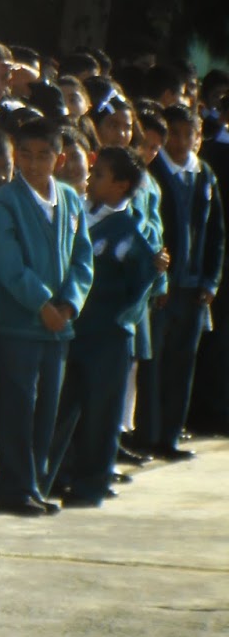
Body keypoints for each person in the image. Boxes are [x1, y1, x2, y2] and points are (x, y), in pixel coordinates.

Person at [0, 118, 94, 516]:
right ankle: (15, 488)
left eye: (43, 156)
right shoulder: (6, 201)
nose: (33, 164)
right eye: (25, 156)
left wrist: (69, 303)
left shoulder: (69, 198)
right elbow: (5, 261)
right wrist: (42, 303)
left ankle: (36, 484)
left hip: (58, 326)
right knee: (18, 408)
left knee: (47, 410)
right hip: (19, 324)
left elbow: (83, 257)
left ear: (59, 158)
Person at [57, 147, 161, 506]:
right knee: (63, 404)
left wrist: (122, 319)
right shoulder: (78, 213)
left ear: (121, 185)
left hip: (108, 337)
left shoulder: (131, 232)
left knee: (101, 412)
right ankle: (56, 475)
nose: (91, 178)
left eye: (99, 174)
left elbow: (141, 285)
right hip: (73, 330)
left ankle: (91, 484)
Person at [138, 105, 224, 459]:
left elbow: (217, 233)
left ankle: (170, 435)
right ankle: (147, 435)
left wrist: (211, 280)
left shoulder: (205, 175)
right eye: (175, 134)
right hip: (163, 288)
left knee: (182, 363)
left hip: (193, 288)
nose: (183, 142)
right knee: (153, 364)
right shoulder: (152, 172)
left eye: (191, 134)